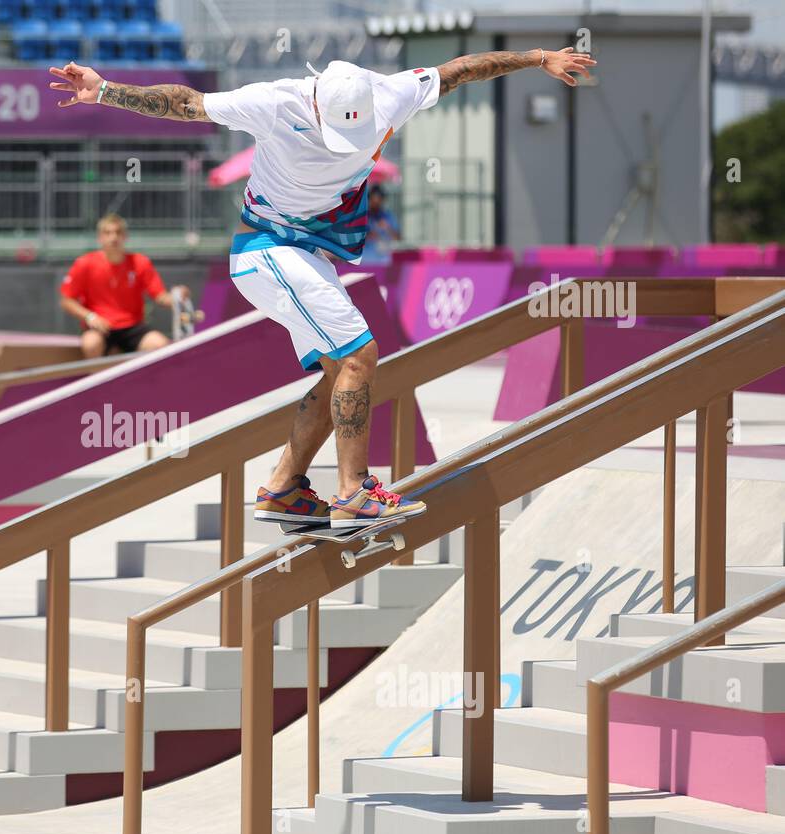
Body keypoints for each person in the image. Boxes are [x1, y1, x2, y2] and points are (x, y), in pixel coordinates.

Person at [49, 47, 594, 529]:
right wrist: (107, 92)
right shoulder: (273, 101)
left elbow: (459, 70)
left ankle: (284, 487)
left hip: (309, 256)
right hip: (265, 250)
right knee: (361, 354)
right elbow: (187, 102)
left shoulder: (391, 95)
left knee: (339, 370)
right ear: (314, 105)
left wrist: (535, 58)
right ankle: (354, 493)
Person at [60, 213, 191, 358]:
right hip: (100, 327)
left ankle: (145, 381)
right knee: (91, 344)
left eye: (118, 232)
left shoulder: (140, 262)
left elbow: (160, 296)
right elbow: (66, 300)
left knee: (160, 345)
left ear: (125, 236)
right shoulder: (85, 263)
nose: (113, 237)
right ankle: (100, 381)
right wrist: (90, 317)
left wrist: (177, 297)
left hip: (132, 327)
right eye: (108, 233)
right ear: (100, 237)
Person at [362, 185, 399, 264]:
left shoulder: (388, 216)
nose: (376, 203)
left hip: (384, 261)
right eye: (374, 200)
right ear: (369, 199)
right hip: (365, 261)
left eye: (379, 199)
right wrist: (369, 235)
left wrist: (387, 228)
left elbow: (397, 238)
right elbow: (354, 239)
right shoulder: (363, 217)